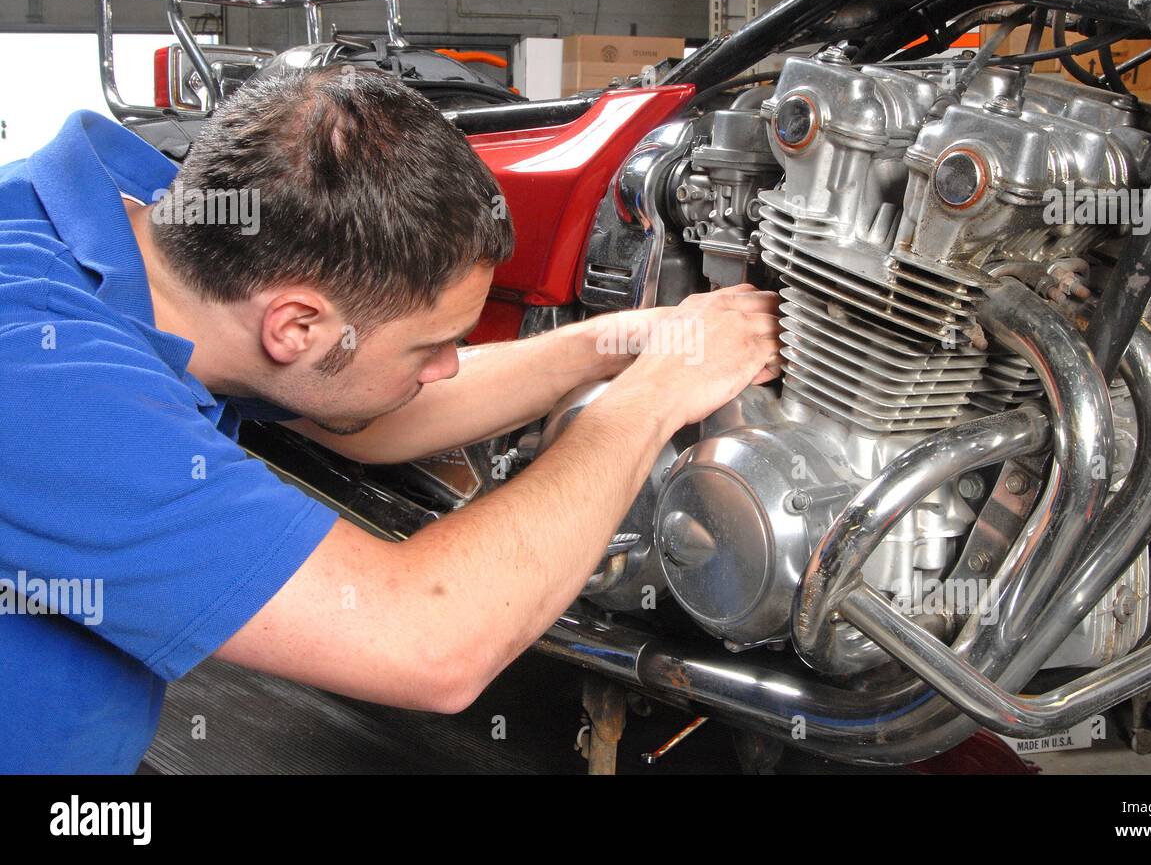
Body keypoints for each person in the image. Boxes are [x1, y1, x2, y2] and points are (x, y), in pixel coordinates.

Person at [0, 64, 782, 773]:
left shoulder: (154, 237)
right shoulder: (40, 372)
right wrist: (650, 401)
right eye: (432, 344)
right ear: (296, 326)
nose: (446, 364)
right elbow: (427, 643)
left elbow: (371, 410)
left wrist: (619, 342)